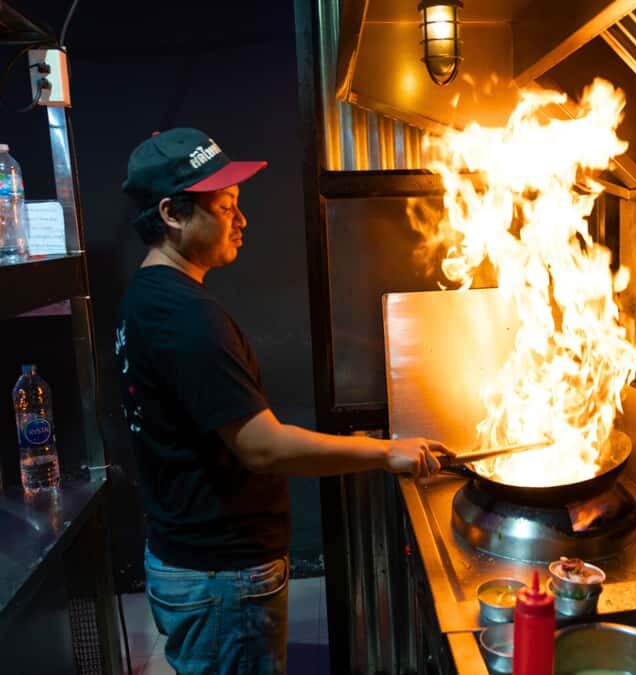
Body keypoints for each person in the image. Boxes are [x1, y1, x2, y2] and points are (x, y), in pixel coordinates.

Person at [116, 127, 446, 674]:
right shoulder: (188, 319)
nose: (241, 220)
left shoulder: (145, 298)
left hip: (189, 562)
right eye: (225, 207)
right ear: (172, 214)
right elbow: (263, 447)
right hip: (221, 578)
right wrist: (386, 453)